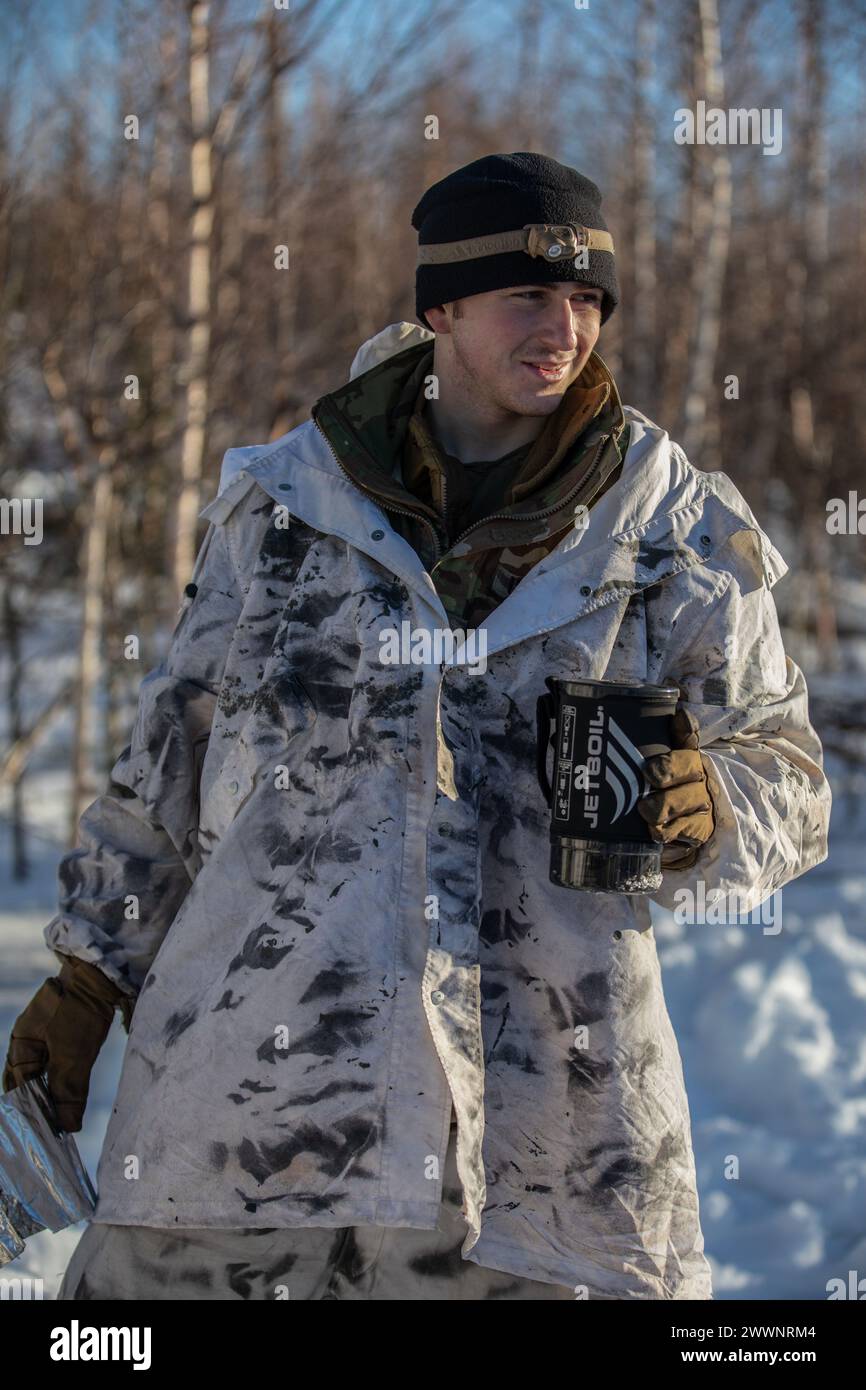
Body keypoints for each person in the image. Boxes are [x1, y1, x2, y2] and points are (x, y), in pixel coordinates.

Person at [4, 152, 831, 1300]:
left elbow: (784, 773)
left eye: (588, 298)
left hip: (541, 1140)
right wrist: (91, 970)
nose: (565, 327)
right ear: (438, 307)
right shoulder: (287, 503)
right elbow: (171, 758)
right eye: (528, 295)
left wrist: (706, 804)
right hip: (256, 1107)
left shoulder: (670, 526)